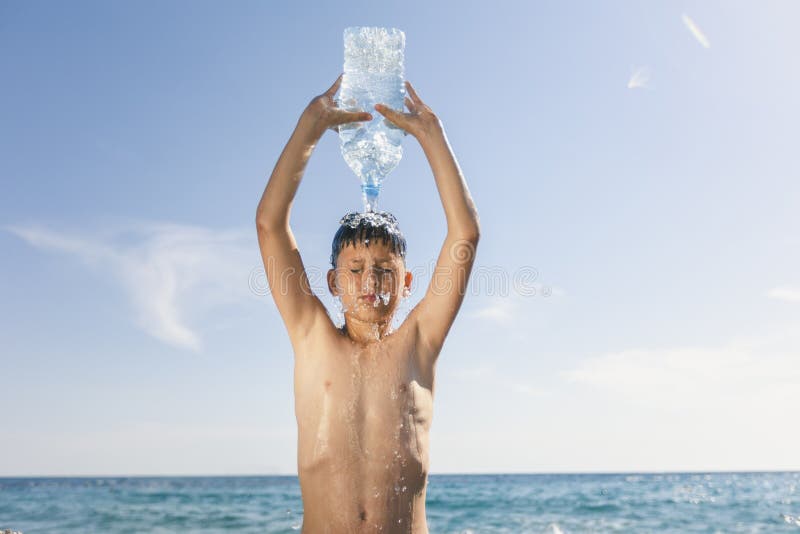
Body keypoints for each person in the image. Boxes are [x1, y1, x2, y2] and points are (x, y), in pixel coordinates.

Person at [255, 74, 480, 533]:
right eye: (355, 270)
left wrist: (431, 134)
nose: (370, 281)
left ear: (407, 282)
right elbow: (270, 225)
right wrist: (310, 126)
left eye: (384, 269)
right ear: (334, 282)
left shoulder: (419, 342)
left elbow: (465, 234)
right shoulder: (311, 334)